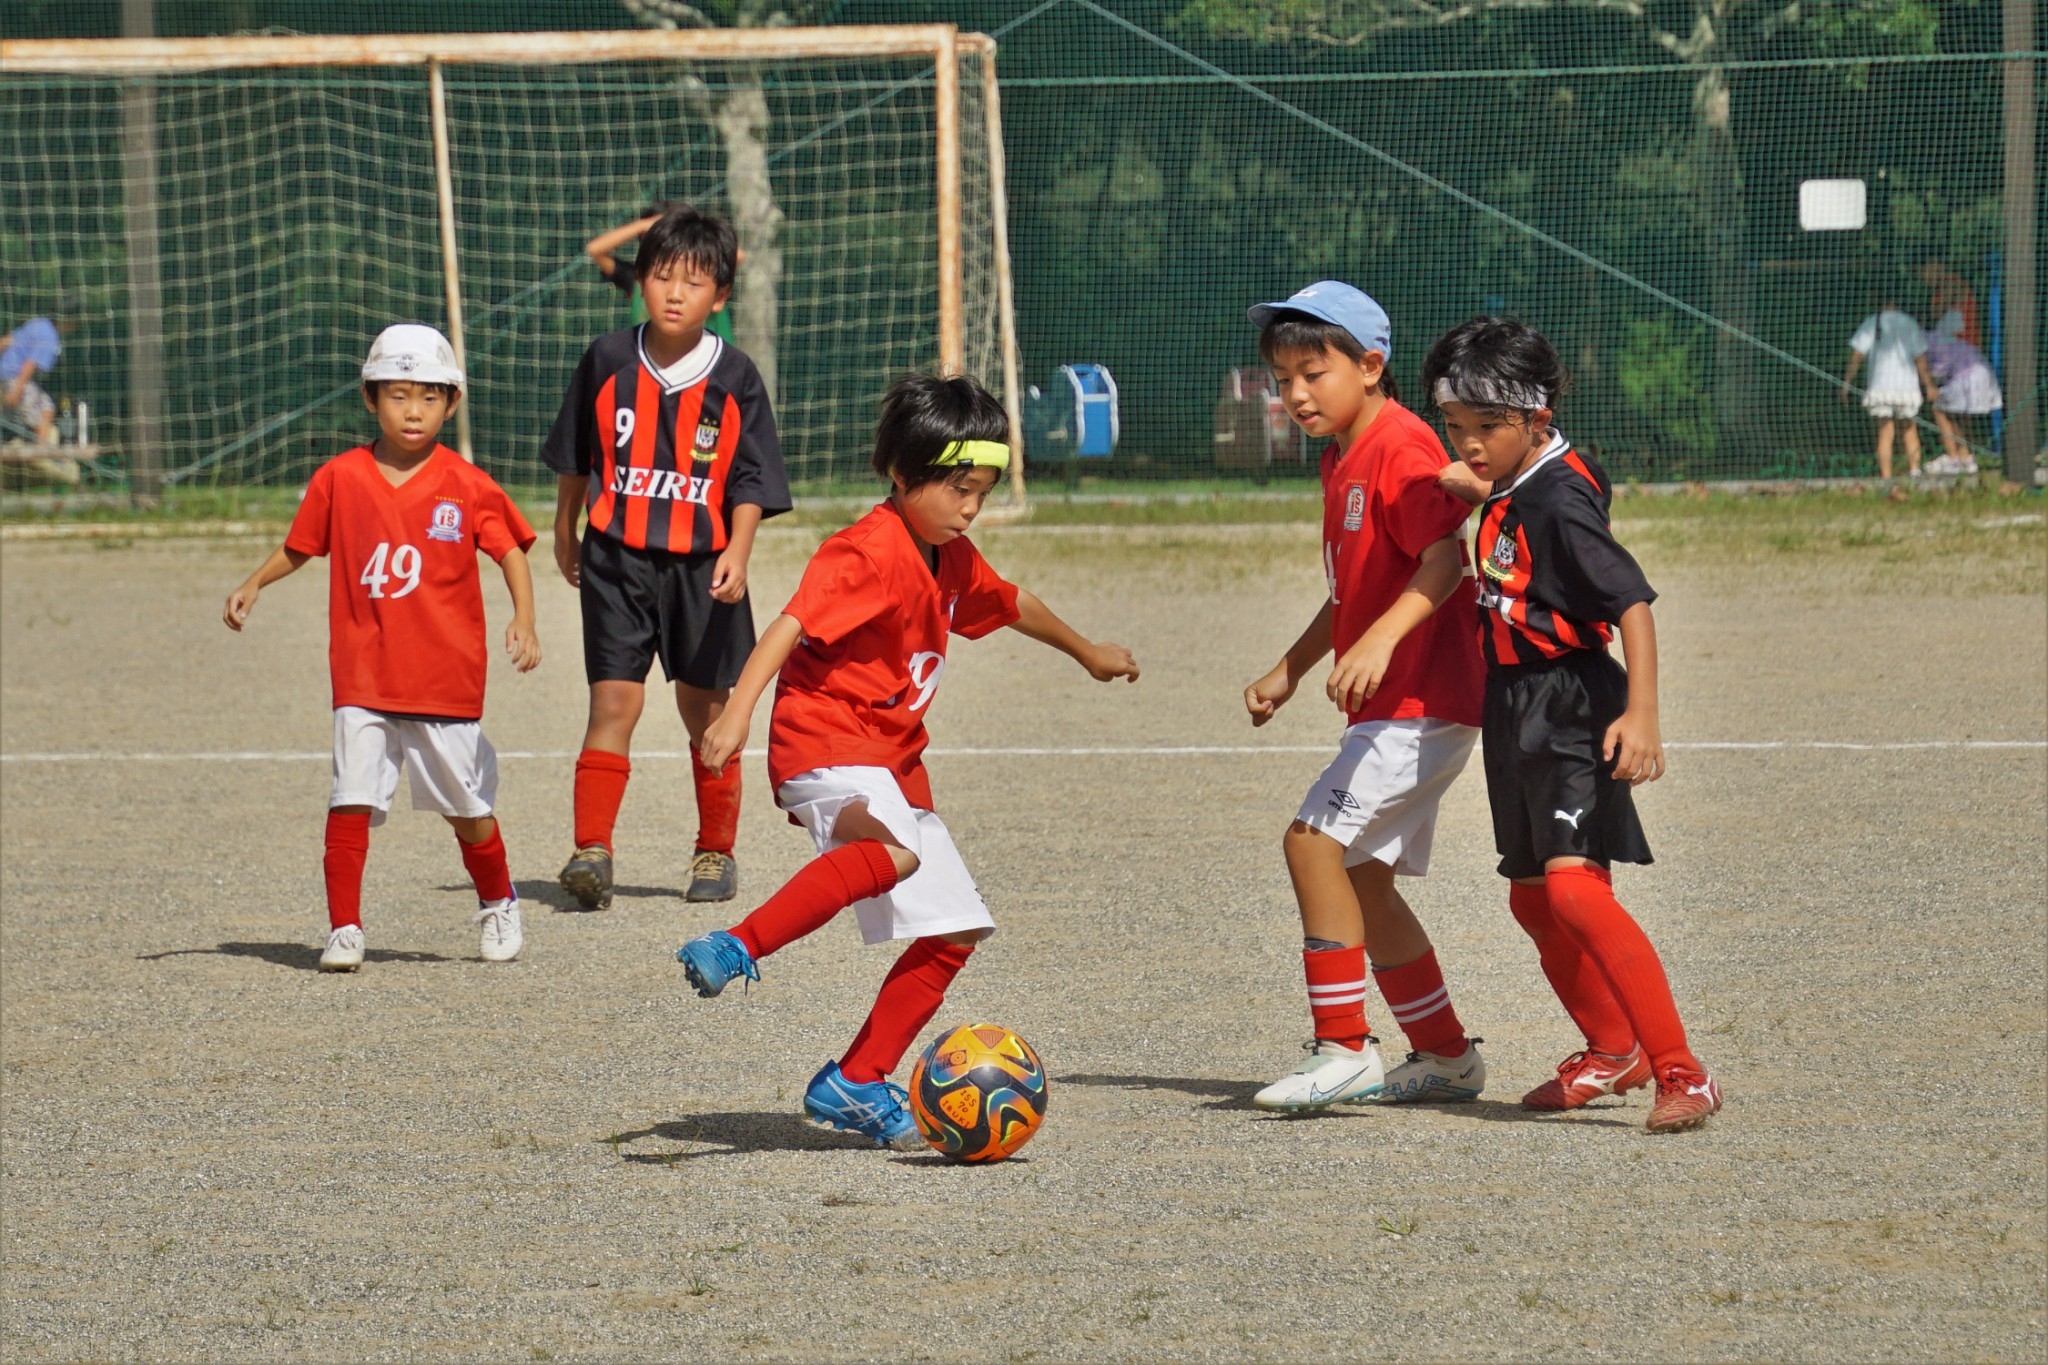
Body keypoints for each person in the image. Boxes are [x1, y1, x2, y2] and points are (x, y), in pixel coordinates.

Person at [673, 374, 1139, 1150]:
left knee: (956, 929)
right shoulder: (865, 549)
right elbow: (790, 624)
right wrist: (738, 714)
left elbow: (1009, 600)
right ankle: (737, 945)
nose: (971, 508)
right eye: (960, 488)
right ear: (902, 473)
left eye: (982, 492)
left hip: (892, 762)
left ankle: (855, 1080)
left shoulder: (948, 555)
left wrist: (1087, 650)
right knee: (891, 851)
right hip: (823, 741)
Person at [1424, 316, 1720, 1135]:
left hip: (1573, 703)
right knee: (1529, 900)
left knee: (1575, 891)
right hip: (1511, 702)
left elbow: (1632, 599)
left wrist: (1644, 713)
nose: (1470, 444)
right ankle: (1610, 1048)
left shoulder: (1560, 498)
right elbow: (1508, 501)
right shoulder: (1523, 482)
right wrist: (1479, 488)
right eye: (1456, 427)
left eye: (1488, 428)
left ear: (1536, 420)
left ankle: (1682, 1071)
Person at [1237, 281, 1489, 1112]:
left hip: (1422, 700)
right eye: (1282, 379)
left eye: (1313, 371)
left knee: (1310, 843)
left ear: (1371, 364)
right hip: (1402, 703)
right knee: (1365, 879)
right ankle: (1447, 1056)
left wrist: (1381, 641)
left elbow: (1444, 560)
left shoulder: (1402, 448)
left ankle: (1343, 1046)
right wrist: (1293, 664)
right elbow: (1354, 589)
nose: (1296, 393)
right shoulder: (1343, 452)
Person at [222, 324, 541, 971]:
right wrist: (254, 582)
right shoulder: (340, 478)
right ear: (372, 398)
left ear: (452, 403)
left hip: (443, 678)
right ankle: (344, 928)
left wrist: (525, 618)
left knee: (465, 808)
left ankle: (499, 899)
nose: (414, 410)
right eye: (398, 395)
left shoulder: (467, 483)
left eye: (429, 396)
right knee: (350, 796)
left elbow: (509, 549)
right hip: (363, 673)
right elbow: (301, 545)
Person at [545, 206, 790, 910]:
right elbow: (577, 456)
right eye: (661, 276)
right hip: (617, 560)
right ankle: (591, 850)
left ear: (720, 294)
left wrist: (739, 552)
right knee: (612, 702)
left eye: (694, 280)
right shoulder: (607, 358)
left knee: (706, 713)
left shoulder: (736, 374)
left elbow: (750, 477)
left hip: (703, 567)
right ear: (642, 284)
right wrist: (566, 527)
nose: (675, 293)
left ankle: (714, 851)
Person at [586, 203, 736, 344]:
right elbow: (595, 249)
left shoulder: (707, 272)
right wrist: (642, 226)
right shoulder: (636, 278)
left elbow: (736, 254)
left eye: (692, 284)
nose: (675, 295)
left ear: (719, 297)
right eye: (663, 279)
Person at [1840, 302, 1940, 479]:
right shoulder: (1909, 323)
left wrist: (1847, 382)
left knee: (1885, 433)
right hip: (1906, 386)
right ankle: (1915, 471)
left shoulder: (1872, 322)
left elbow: (1857, 354)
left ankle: (1886, 476)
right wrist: (1929, 385)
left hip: (1880, 386)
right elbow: (1920, 358)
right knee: (1909, 429)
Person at [1923, 311, 2002, 475]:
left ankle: (1952, 458)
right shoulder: (1960, 343)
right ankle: (1966, 458)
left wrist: (1929, 380)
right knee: (1960, 417)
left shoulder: (1932, 340)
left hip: (1965, 380)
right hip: (1984, 379)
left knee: (1939, 410)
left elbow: (1939, 369)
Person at [1, 313, 70, 445]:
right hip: (16, 378)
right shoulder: (50, 337)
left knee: (47, 407)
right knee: (40, 418)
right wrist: (17, 389)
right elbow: (30, 363)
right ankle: (39, 456)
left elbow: (7, 340)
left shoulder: (38, 323)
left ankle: (35, 447)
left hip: (6, 375)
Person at [1918, 260, 1979, 347]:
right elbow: (1935, 314)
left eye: (1927, 272)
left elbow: (1949, 298)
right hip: (1948, 347)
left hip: (1965, 343)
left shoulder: (1955, 282)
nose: (1926, 279)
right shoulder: (1936, 294)